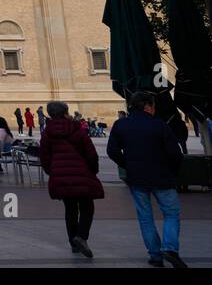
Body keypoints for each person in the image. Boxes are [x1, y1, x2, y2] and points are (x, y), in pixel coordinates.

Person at [108, 92, 186, 267]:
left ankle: (155, 255)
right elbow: (175, 153)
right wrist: (173, 172)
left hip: (137, 178)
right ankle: (170, 248)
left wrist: (127, 165)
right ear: (148, 106)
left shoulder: (121, 125)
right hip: (163, 177)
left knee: (145, 217)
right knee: (171, 213)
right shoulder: (159, 125)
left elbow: (112, 151)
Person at [38, 100, 104, 257]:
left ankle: (73, 243)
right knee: (87, 207)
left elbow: (44, 157)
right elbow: (91, 154)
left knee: (70, 209)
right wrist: (93, 171)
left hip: (61, 177)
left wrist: (52, 172)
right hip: (82, 175)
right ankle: (81, 237)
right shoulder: (77, 129)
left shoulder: (47, 133)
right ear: (66, 112)